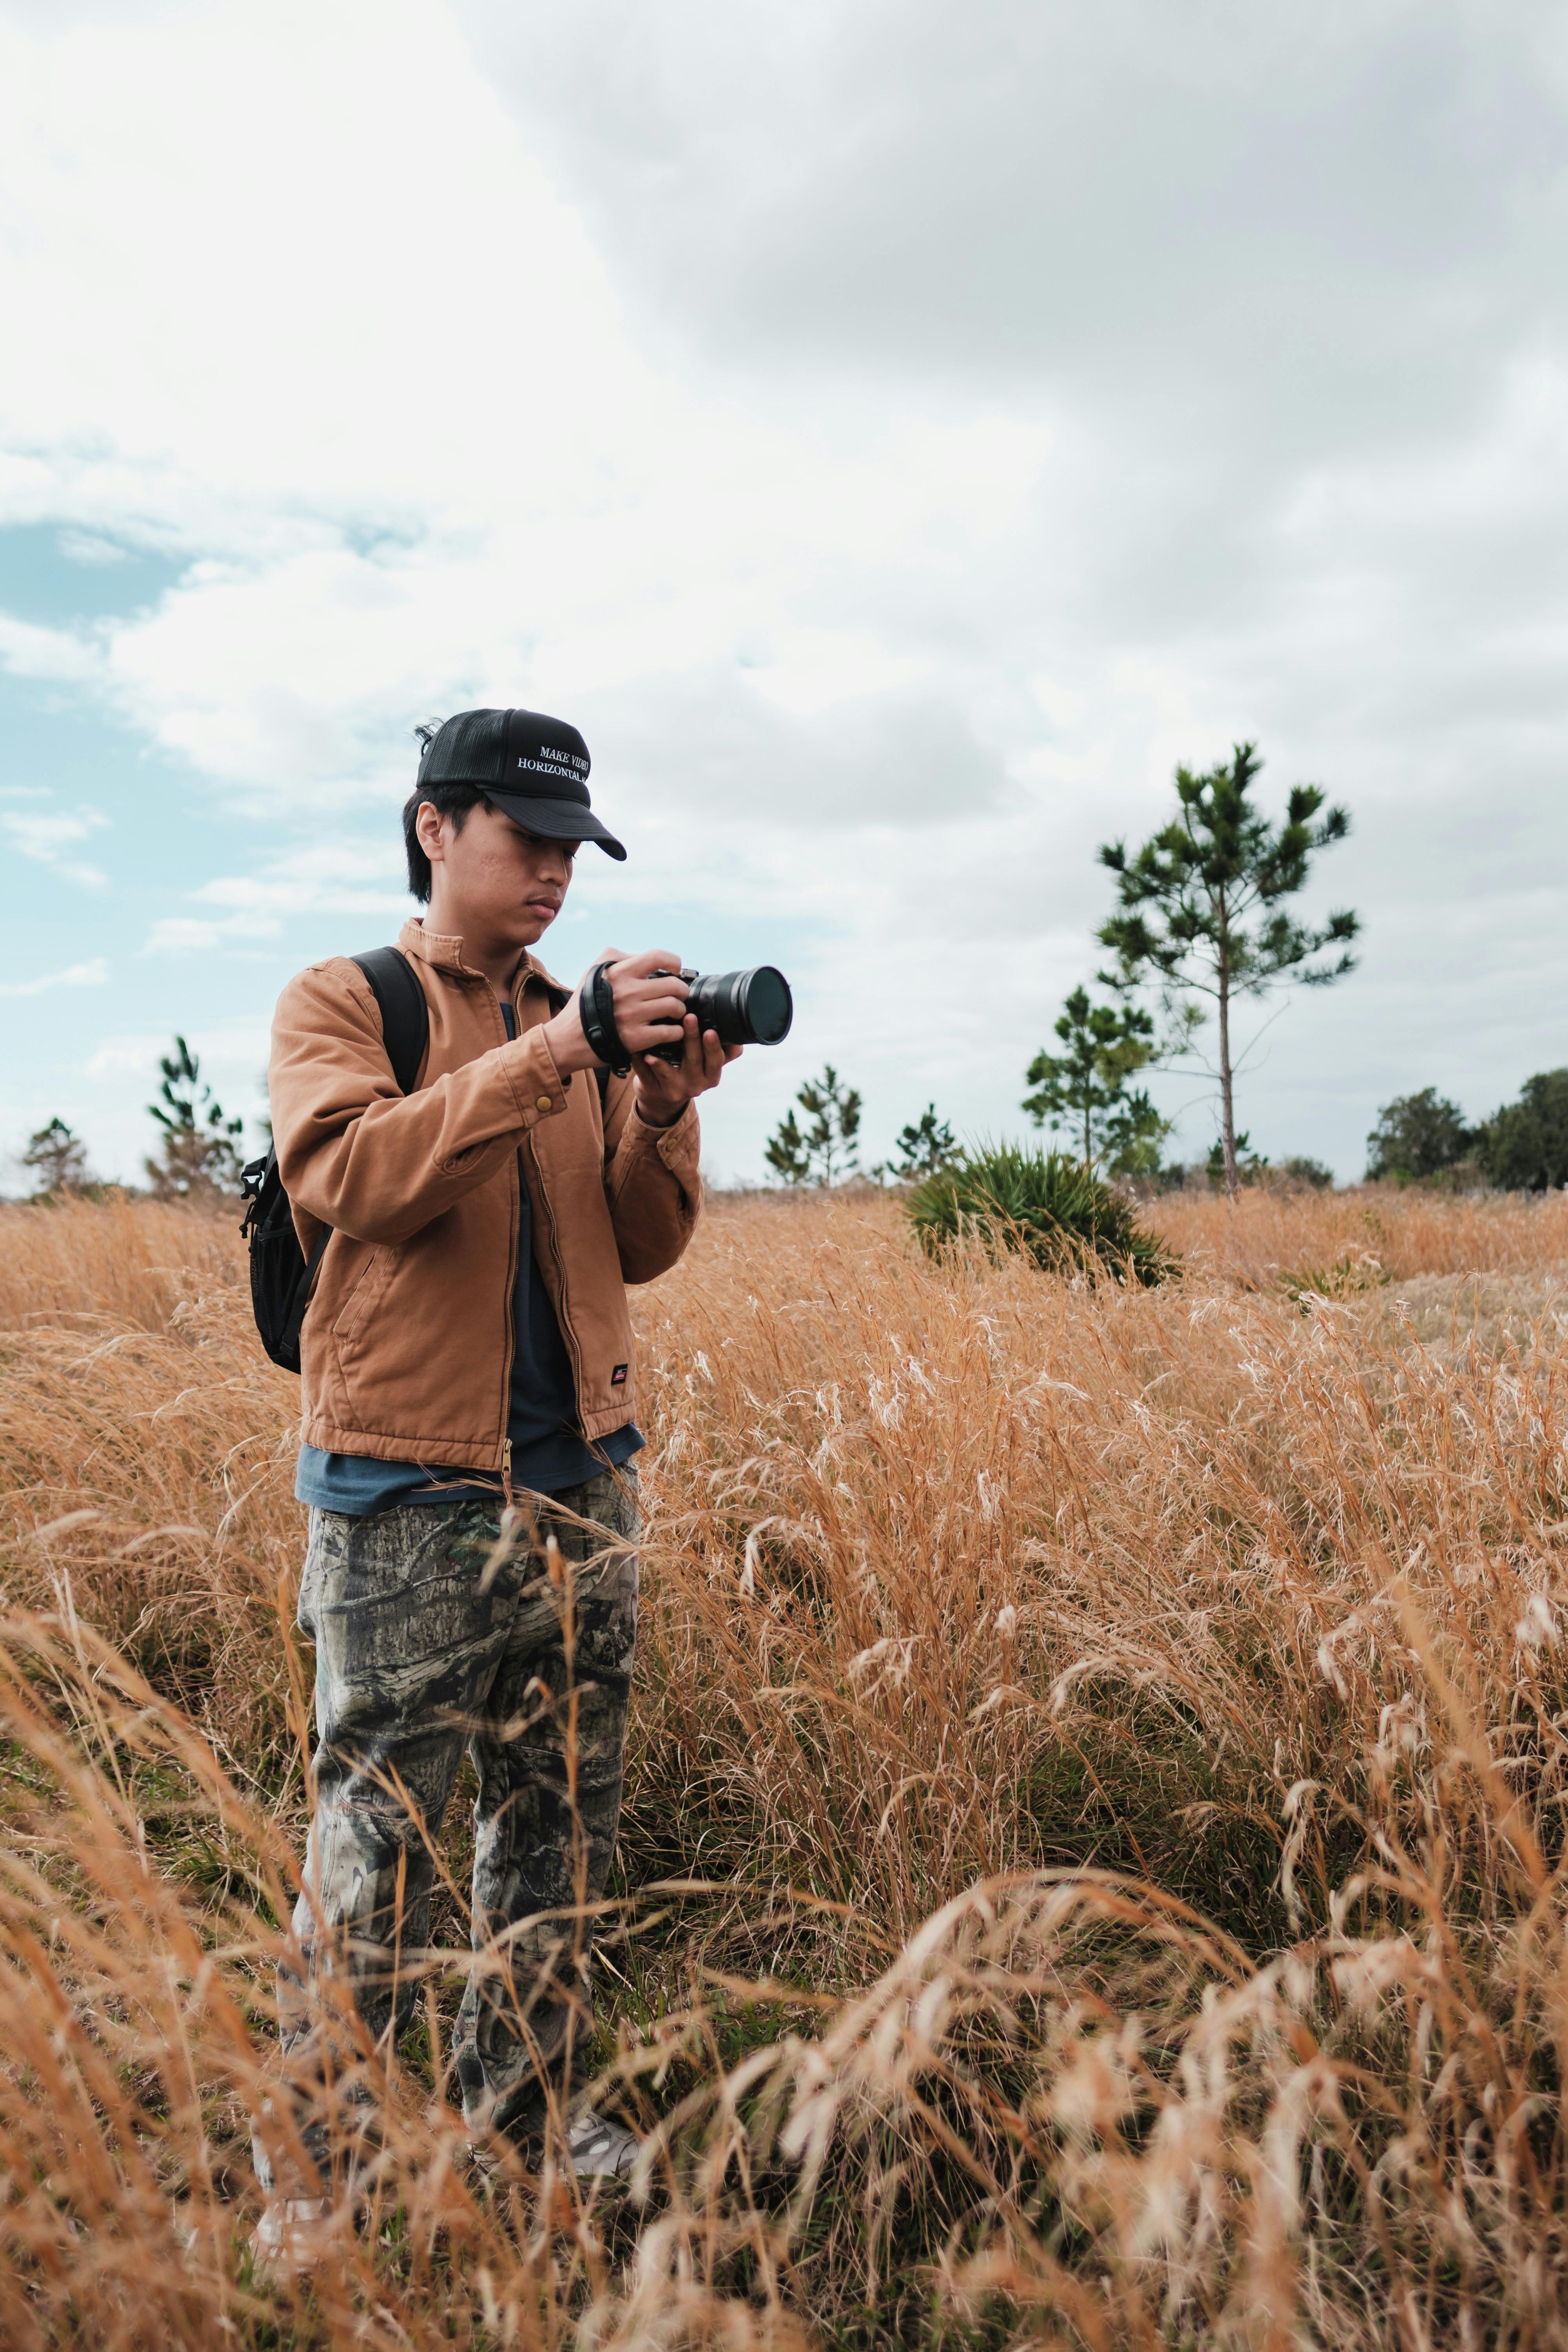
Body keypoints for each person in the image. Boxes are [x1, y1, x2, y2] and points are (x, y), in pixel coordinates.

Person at [252, 707, 738, 2256]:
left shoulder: (573, 1023)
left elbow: (642, 1248)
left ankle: (522, 2120)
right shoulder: (347, 999)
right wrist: (559, 1052)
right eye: (524, 840)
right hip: (407, 1489)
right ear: (433, 829)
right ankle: (315, 2182)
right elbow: (355, 1179)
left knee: (557, 1824)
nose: (550, 874)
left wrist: (658, 1110)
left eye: (570, 850)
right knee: (379, 1843)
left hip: (581, 1479)